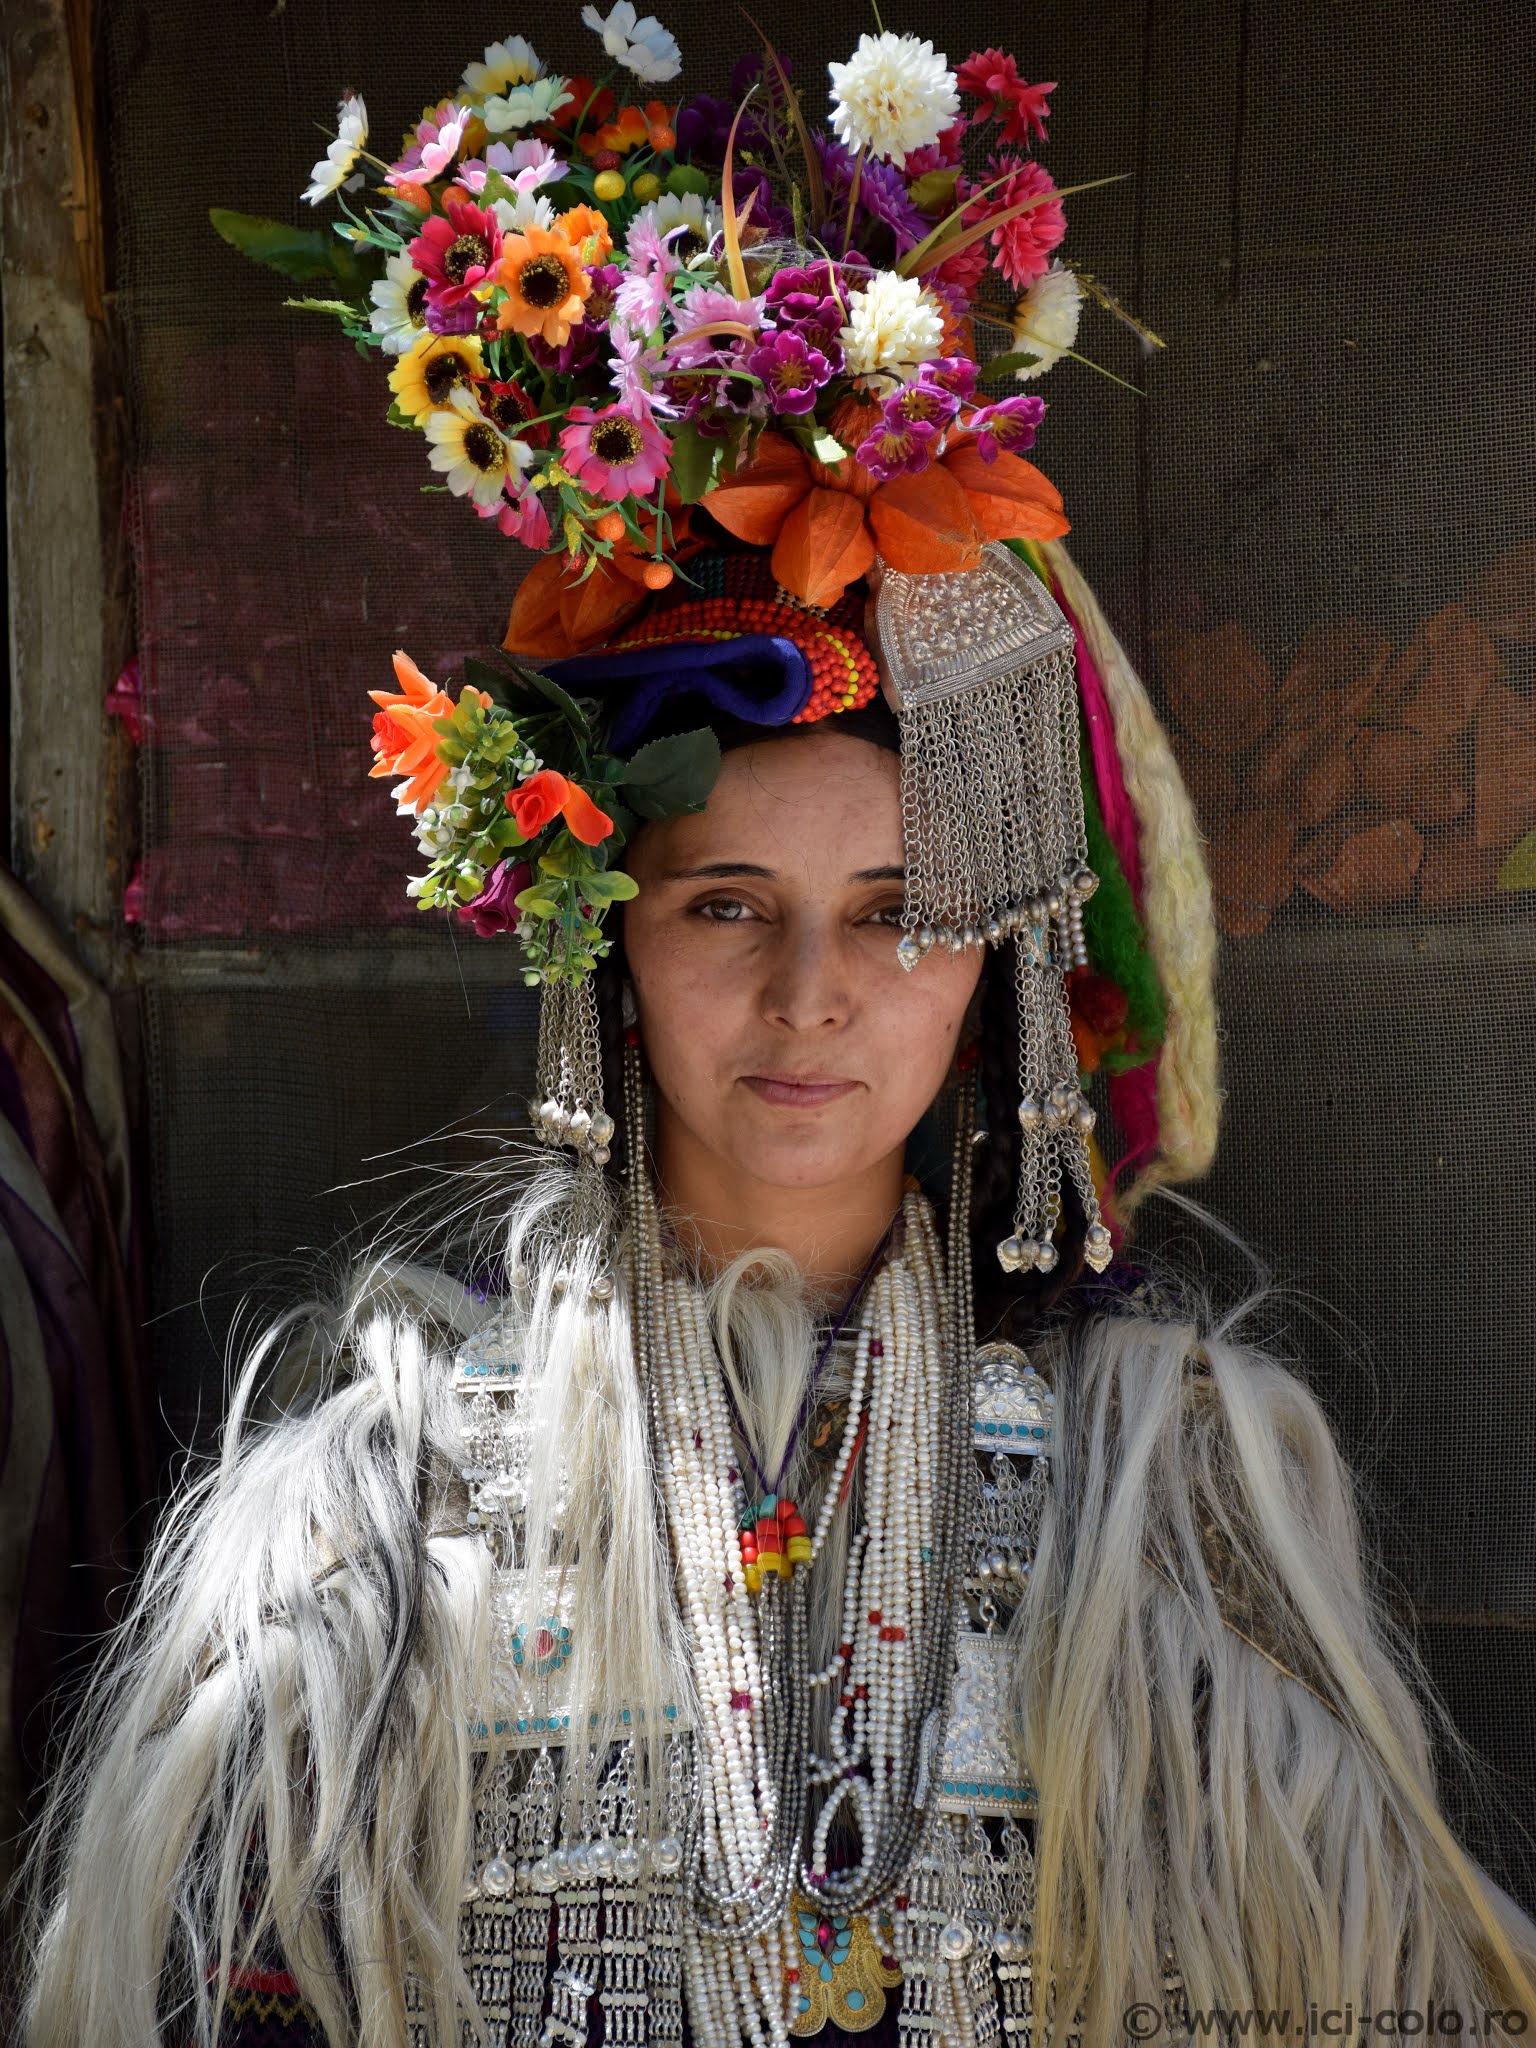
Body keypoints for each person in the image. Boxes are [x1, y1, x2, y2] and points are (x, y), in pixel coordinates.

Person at [21, 17, 1536, 2048]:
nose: (812, 993)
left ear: (996, 966)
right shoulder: (374, 1515)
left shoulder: (1155, 1496)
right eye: (725, 906)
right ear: (602, 951)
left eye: (900, 918)